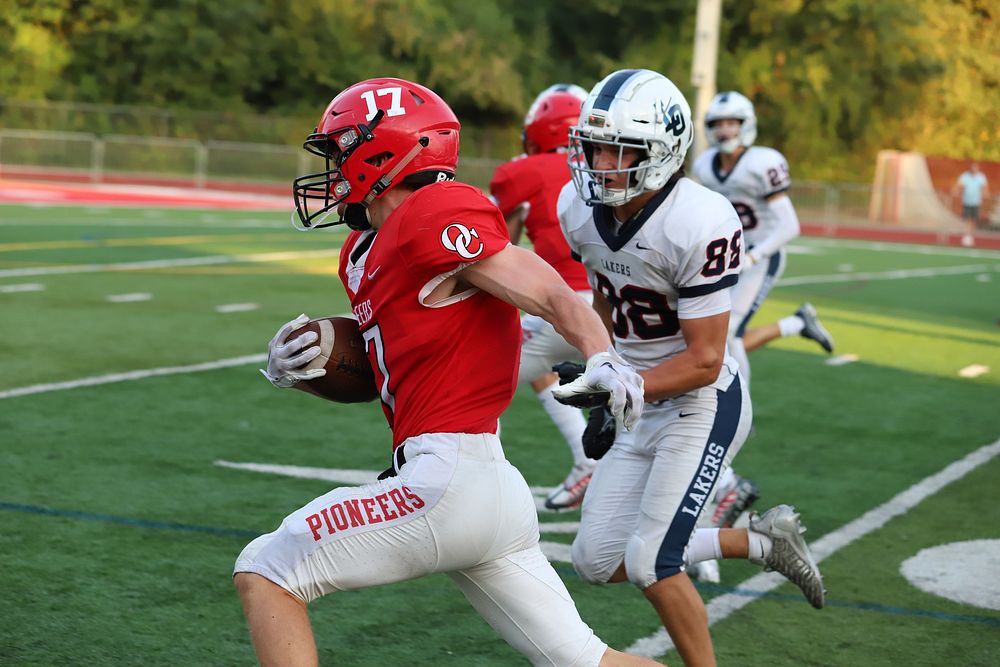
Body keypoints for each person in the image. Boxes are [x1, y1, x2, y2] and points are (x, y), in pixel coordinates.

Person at [233, 76, 661, 667]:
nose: (332, 170)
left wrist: (601, 352)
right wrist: (310, 363)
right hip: (487, 487)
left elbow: (546, 290)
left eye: (340, 151)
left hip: (446, 481)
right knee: (589, 660)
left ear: (382, 151)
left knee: (266, 569)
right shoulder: (365, 249)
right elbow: (395, 369)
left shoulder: (432, 209)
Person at [557, 69, 824, 667]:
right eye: (593, 145)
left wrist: (619, 387)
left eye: (619, 150)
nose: (599, 162)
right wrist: (606, 364)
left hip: (700, 402)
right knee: (595, 559)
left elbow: (705, 360)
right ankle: (760, 542)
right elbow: (604, 296)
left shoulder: (698, 219)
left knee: (655, 561)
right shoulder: (577, 205)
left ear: (661, 153)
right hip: (639, 395)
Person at [687, 91, 835, 581]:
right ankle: (788, 334)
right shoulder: (707, 164)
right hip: (727, 256)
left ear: (746, 125)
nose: (725, 130)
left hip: (760, 256)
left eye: (733, 122)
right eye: (718, 122)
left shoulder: (764, 162)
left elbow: (788, 222)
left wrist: (754, 255)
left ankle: (731, 408)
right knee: (720, 337)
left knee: (725, 336)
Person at [490, 83, 600, 511]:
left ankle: (475, 483)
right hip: (614, 305)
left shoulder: (524, 171)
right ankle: (722, 483)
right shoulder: (606, 162)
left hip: (565, 305)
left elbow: (498, 245)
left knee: (475, 379)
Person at [952, 162, 990, 246]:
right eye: (973, 167)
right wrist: (956, 191)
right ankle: (966, 236)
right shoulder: (965, 176)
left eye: (976, 167)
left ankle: (970, 236)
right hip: (967, 201)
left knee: (973, 220)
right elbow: (959, 185)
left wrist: (985, 194)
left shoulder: (981, 176)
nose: (974, 169)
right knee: (967, 219)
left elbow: (984, 187)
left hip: (976, 202)